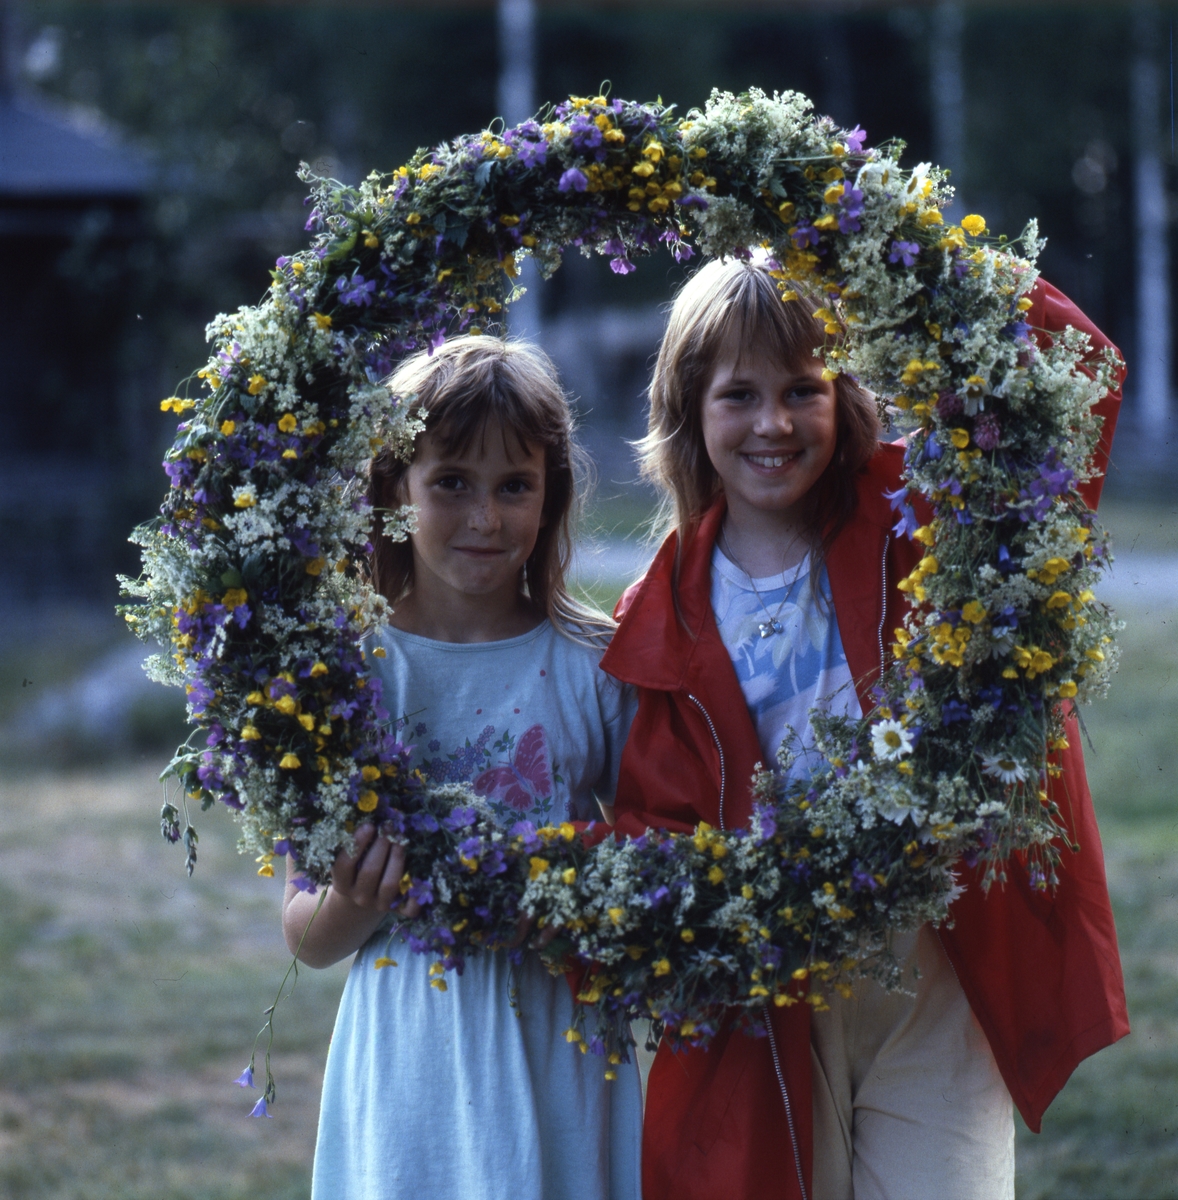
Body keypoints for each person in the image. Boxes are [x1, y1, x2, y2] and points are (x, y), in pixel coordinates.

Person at [599, 258, 1128, 1200]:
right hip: (768, 1001)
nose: (773, 423)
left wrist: (872, 238)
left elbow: (1074, 369)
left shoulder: (916, 512)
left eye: (804, 389)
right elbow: (658, 818)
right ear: (688, 410)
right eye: (740, 395)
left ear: (845, 393)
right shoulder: (664, 613)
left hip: (934, 969)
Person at [283, 336, 642, 1200]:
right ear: (393, 490)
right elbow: (305, 931)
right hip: (412, 1054)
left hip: (562, 1039)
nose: (486, 517)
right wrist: (353, 899)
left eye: (513, 485)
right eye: (452, 482)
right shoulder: (346, 677)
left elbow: (653, 857)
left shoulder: (593, 663)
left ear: (549, 496)